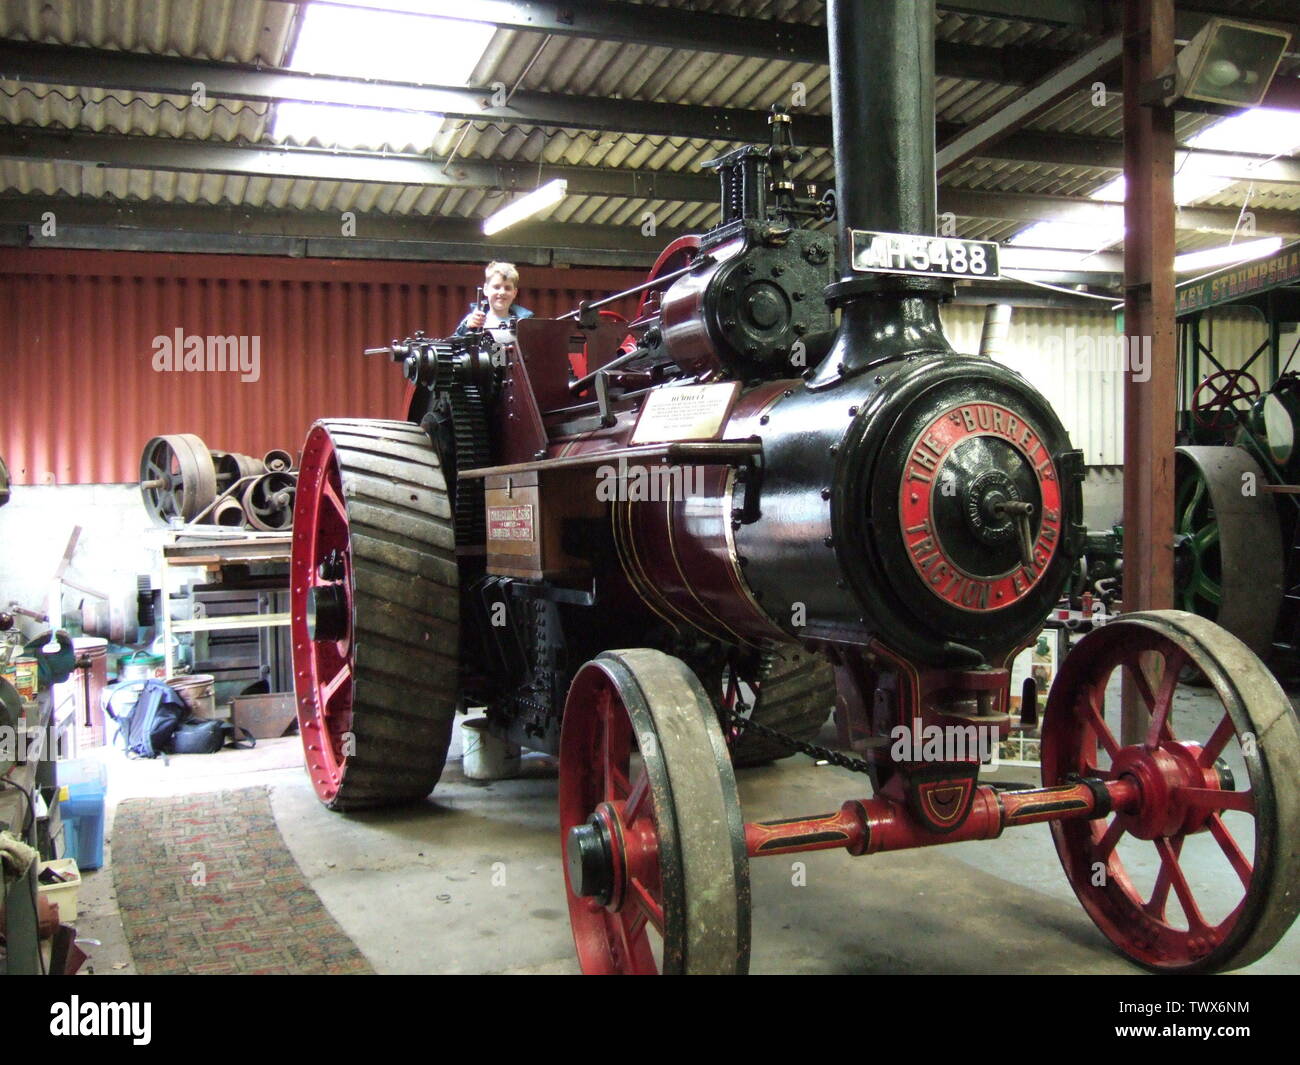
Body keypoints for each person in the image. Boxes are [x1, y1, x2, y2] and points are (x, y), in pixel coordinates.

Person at [454, 261, 534, 338]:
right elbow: (454, 345)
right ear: (485, 289)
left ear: (514, 293)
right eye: (496, 287)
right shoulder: (473, 320)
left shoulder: (524, 323)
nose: (502, 292)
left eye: (507, 288)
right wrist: (467, 327)